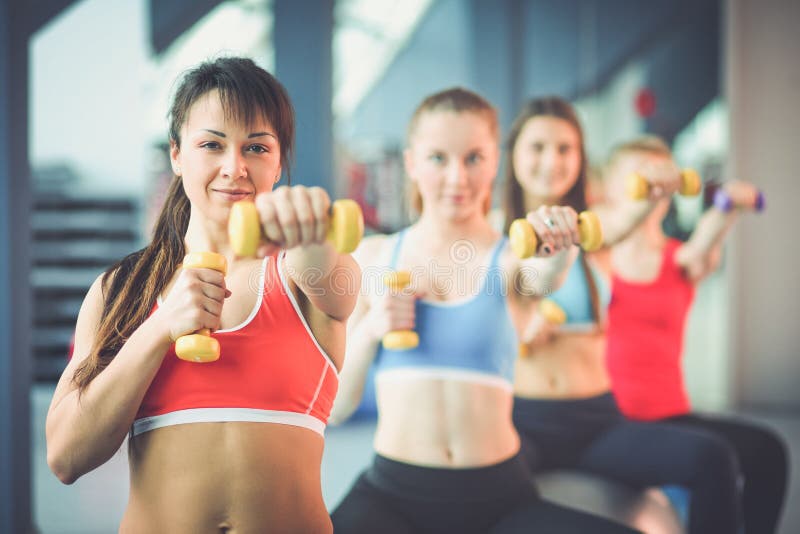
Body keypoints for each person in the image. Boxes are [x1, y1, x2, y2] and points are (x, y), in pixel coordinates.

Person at [45, 56, 360, 533]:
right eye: (212, 144)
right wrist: (159, 327)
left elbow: (340, 292)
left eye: (256, 147)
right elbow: (66, 457)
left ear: (279, 161)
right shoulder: (120, 290)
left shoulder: (303, 271)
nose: (234, 167)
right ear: (176, 154)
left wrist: (312, 232)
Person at [329, 88, 639, 534]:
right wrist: (373, 328)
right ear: (412, 162)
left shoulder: (511, 259)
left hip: (497, 494)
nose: (457, 177)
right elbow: (337, 408)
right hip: (393, 493)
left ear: (496, 162)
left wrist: (559, 247)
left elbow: (543, 278)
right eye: (438, 158)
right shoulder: (375, 257)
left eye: (473, 158)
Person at [506, 96, 744, 533]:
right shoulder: (491, 230)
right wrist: (518, 326)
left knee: (713, 458)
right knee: (480, 496)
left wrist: (653, 187)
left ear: (581, 158)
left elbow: (627, 221)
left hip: (597, 418)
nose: (551, 161)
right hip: (522, 422)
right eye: (537, 147)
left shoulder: (595, 226)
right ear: (514, 154)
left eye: (565, 149)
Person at [604, 135, 788, 534]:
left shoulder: (680, 259)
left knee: (767, 452)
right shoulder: (598, 259)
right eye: (640, 178)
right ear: (610, 189)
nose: (652, 190)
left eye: (661, 181)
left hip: (671, 417)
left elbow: (705, 238)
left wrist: (729, 205)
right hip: (612, 422)